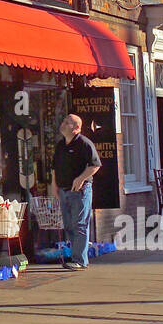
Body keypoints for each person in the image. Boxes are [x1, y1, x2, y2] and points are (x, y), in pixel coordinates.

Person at [51, 114, 101, 269]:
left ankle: (80, 260)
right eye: (64, 121)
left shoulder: (84, 144)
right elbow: (54, 168)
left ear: (76, 128)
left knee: (79, 225)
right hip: (64, 190)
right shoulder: (60, 145)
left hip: (80, 191)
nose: (63, 124)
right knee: (69, 226)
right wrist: (54, 185)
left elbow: (95, 165)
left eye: (67, 123)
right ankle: (75, 257)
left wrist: (80, 179)